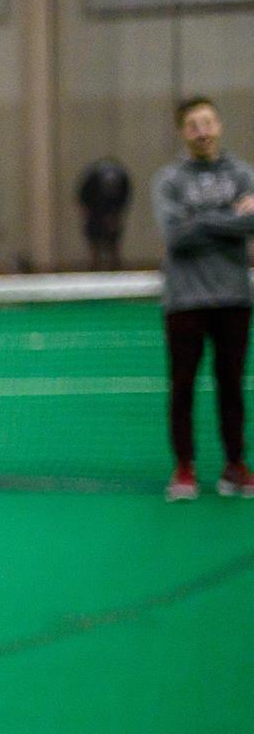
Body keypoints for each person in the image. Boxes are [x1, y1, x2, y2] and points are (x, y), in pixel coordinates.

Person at [153, 96, 254, 500]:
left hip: (233, 297)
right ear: (183, 132)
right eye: (193, 125)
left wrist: (200, 219)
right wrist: (232, 218)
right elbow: (175, 236)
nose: (202, 131)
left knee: (231, 385)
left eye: (208, 122)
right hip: (185, 300)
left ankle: (235, 466)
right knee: (183, 386)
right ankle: (184, 469)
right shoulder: (168, 179)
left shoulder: (244, 173)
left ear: (219, 125)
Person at [77, 156, 133, 271]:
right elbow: (82, 199)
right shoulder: (91, 179)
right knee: (94, 244)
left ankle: (115, 268)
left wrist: (115, 216)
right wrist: (87, 215)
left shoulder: (122, 180)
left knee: (113, 243)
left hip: (112, 211)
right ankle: (94, 267)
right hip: (93, 211)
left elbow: (124, 199)